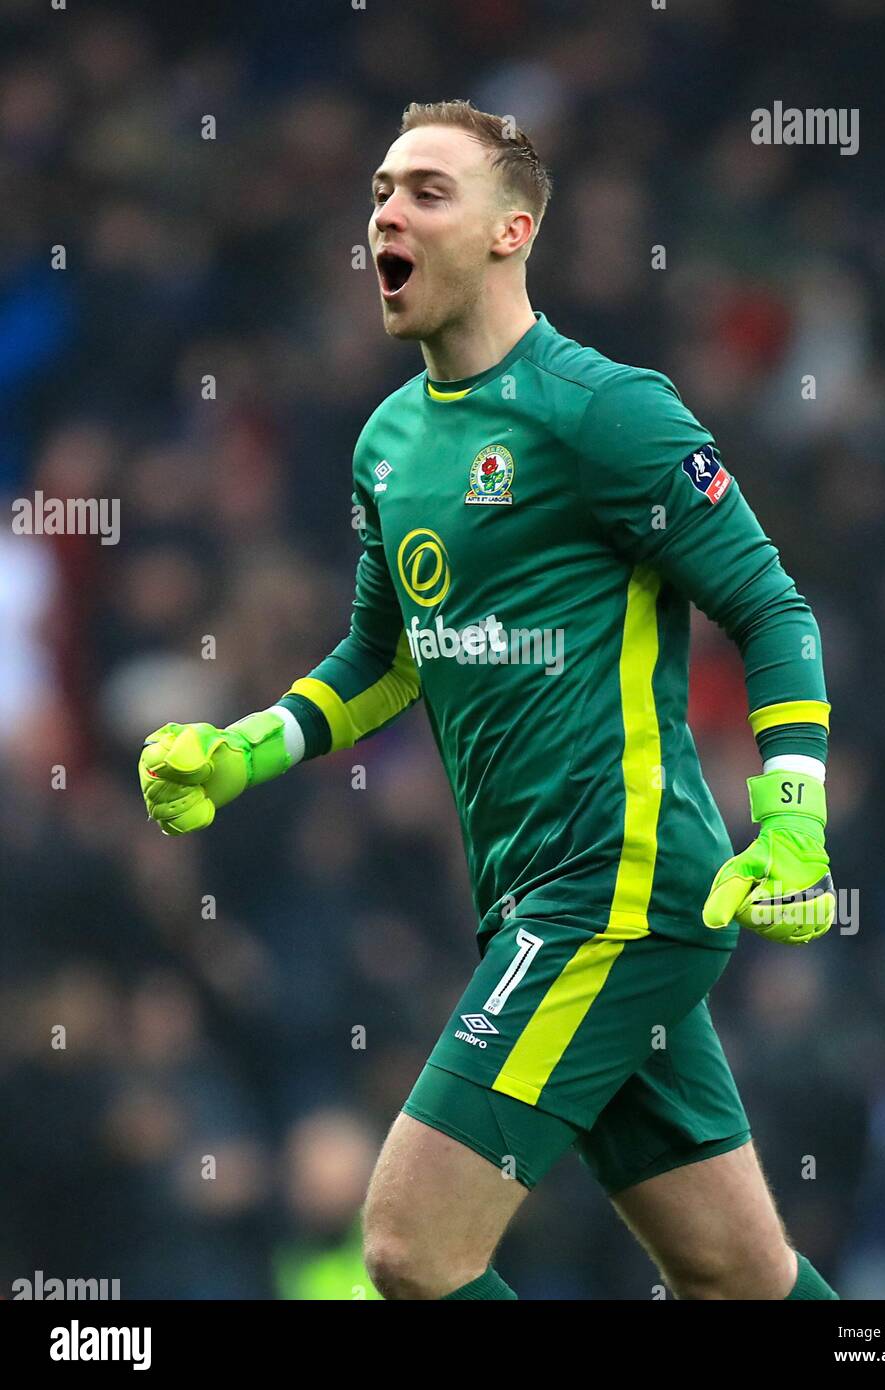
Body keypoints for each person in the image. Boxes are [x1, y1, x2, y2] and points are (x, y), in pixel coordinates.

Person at [140, 100, 839, 1301]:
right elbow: (380, 656)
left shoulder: (603, 410)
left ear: (512, 230)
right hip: (528, 891)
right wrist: (242, 751)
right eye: (376, 193)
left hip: (614, 886)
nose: (384, 215)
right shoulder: (387, 445)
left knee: (411, 1246)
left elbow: (771, 610)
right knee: (735, 1273)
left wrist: (790, 815)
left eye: (423, 190)